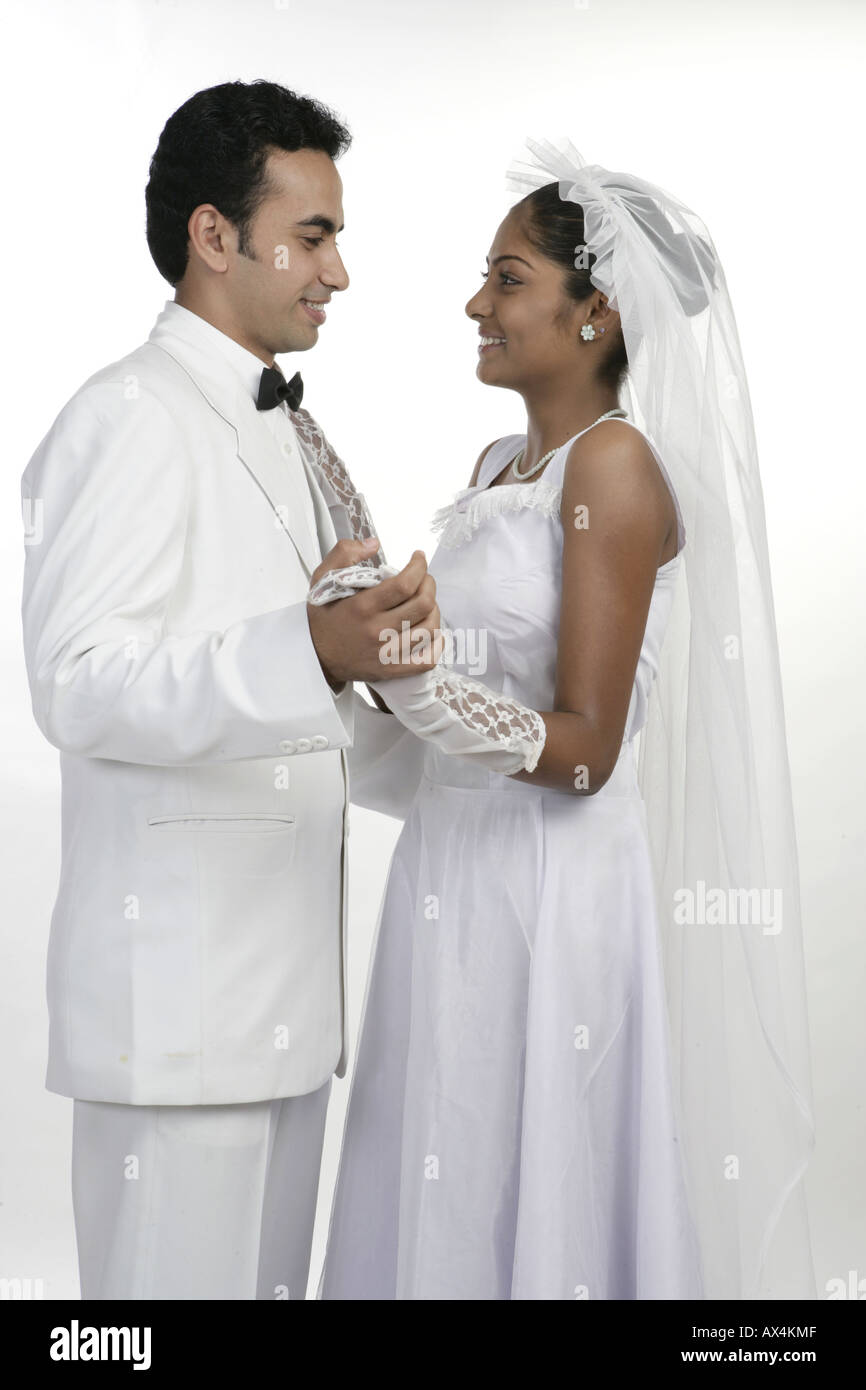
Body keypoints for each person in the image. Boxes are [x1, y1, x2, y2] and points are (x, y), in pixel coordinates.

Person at [315, 142, 817, 1300]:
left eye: (506, 277)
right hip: (451, 873)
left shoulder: (615, 466)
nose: (474, 304)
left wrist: (417, 682)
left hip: (551, 885)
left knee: (531, 1149)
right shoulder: (500, 460)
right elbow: (441, 703)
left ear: (595, 310)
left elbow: (587, 747)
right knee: (441, 1135)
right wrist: (349, 655)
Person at [19, 78, 442, 1300]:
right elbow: (78, 684)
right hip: (175, 1016)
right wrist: (311, 648)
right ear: (215, 235)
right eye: (313, 236)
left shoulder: (283, 429)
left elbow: (295, 712)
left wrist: (489, 767)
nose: (338, 273)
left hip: (287, 1014)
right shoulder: (126, 415)